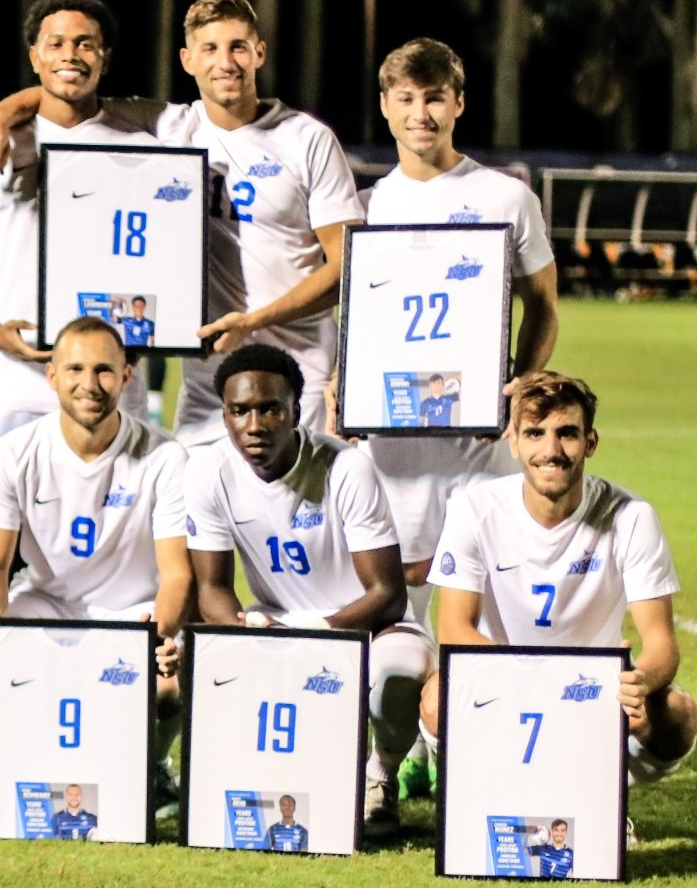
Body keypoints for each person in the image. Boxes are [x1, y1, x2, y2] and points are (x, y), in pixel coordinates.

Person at [0, 0, 358, 442]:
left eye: (238, 47)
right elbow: (68, 88)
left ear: (259, 53)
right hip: (209, 382)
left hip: (300, 372)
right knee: (200, 508)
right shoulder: (171, 127)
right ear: (187, 60)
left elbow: (348, 266)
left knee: (298, 506)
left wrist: (255, 320)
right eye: (210, 49)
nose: (225, 62)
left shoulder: (307, 140)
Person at [359, 41, 561, 769]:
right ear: (385, 106)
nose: (422, 112)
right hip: (392, 448)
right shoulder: (370, 204)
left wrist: (520, 386)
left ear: (459, 103)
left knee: (487, 605)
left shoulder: (506, 196)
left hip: (477, 446)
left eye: (435, 96)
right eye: (406, 98)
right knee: (398, 609)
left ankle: (490, 766)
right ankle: (383, 767)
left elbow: (543, 305)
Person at [420, 373, 694, 820]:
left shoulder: (631, 517)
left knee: (677, 714)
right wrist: (538, 682)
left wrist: (638, 681)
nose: (550, 450)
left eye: (566, 433)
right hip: (502, 682)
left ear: (590, 442)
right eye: (534, 434)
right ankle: (495, 782)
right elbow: (455, 630)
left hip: (592, 693)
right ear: (513, 441)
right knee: (436, 699)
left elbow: (662, 643)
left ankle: (602, 792)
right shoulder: (474, 508)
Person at [185, 343, 430, 837]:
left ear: (296, 409)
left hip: (361, 622)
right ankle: (252, 778)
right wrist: (241, 631)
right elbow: (212, 588)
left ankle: (379, 778)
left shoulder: (346, 467)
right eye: (239, 411)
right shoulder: (206, 471)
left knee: (400, 671)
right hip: (272, 619)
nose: (255, 425)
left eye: (271, 408)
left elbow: (388, 593)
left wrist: (313, 634)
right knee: (198, 659)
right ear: (225, 415)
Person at [0, 316, 189, 810]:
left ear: (127, 377)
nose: (90, 384)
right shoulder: (13, 454)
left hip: (132, 610)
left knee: (169, 683)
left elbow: (176, 573)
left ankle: (153, 768)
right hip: (48, 604)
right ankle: (12, 766)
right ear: (53, 377)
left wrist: (161, 633)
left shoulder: (166, 457)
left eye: (104, 370)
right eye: (76, 369)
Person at [0, 0, 160, 461]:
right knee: (10, 529)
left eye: (84, 44)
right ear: (34, 56)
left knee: (123, 527)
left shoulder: (144, 140)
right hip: (19, 382)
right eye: (55, 44)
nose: (70, 56)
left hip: (114, 378)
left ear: (105, 57)